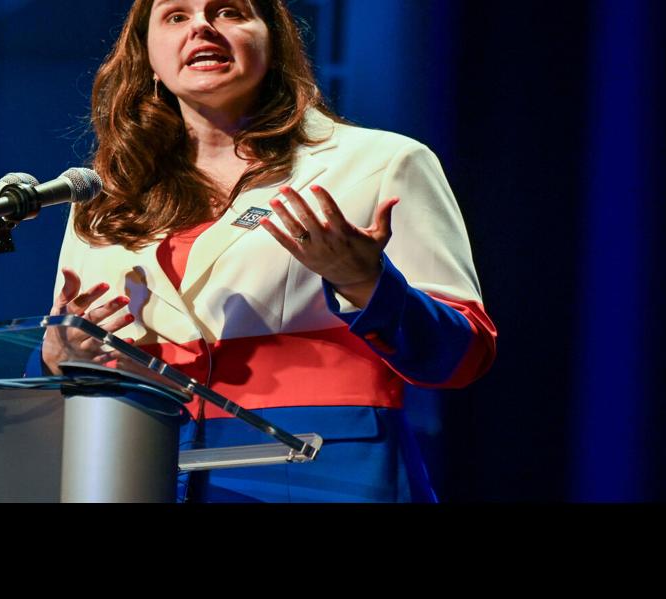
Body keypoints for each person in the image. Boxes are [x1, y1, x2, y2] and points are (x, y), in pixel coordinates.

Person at [29, 0, 495, 502]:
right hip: (143, 469)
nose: (202, 27)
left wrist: (365, 285)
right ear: (148, 55)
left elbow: (461, 355)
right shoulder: (104, 198)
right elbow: (66, 365)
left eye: (228, 11)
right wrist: (58, 361)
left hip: (322, 475)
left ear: (273, 40)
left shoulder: (382, 162)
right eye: (176, 16)